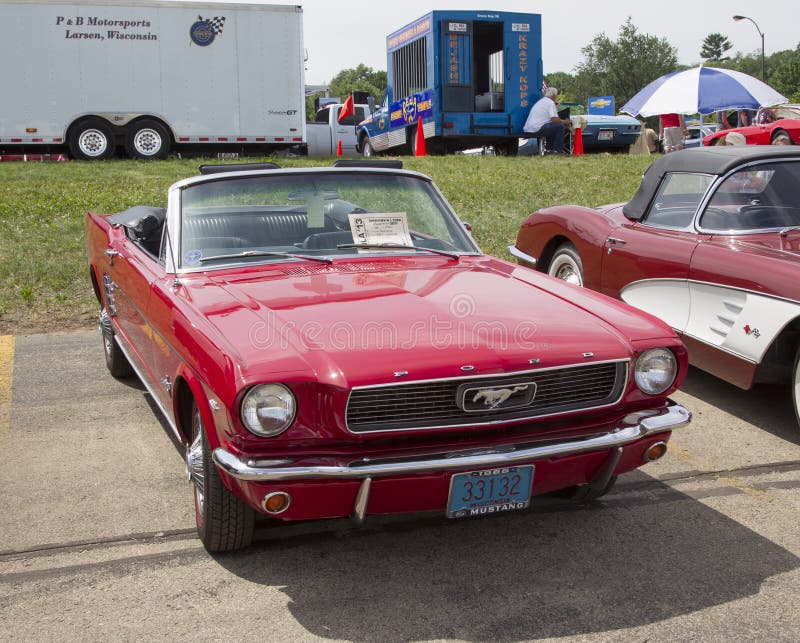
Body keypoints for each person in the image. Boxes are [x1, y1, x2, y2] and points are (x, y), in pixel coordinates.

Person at [523, 87, 571, 154]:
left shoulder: (541, 101)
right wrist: (565, 122)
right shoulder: (550, 103)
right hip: (536, 129)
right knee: (560, 126)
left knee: (553, 127)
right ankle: (556, 151)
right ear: (554, 95)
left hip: (529, 129)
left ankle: (549, 150)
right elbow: (554, 119)